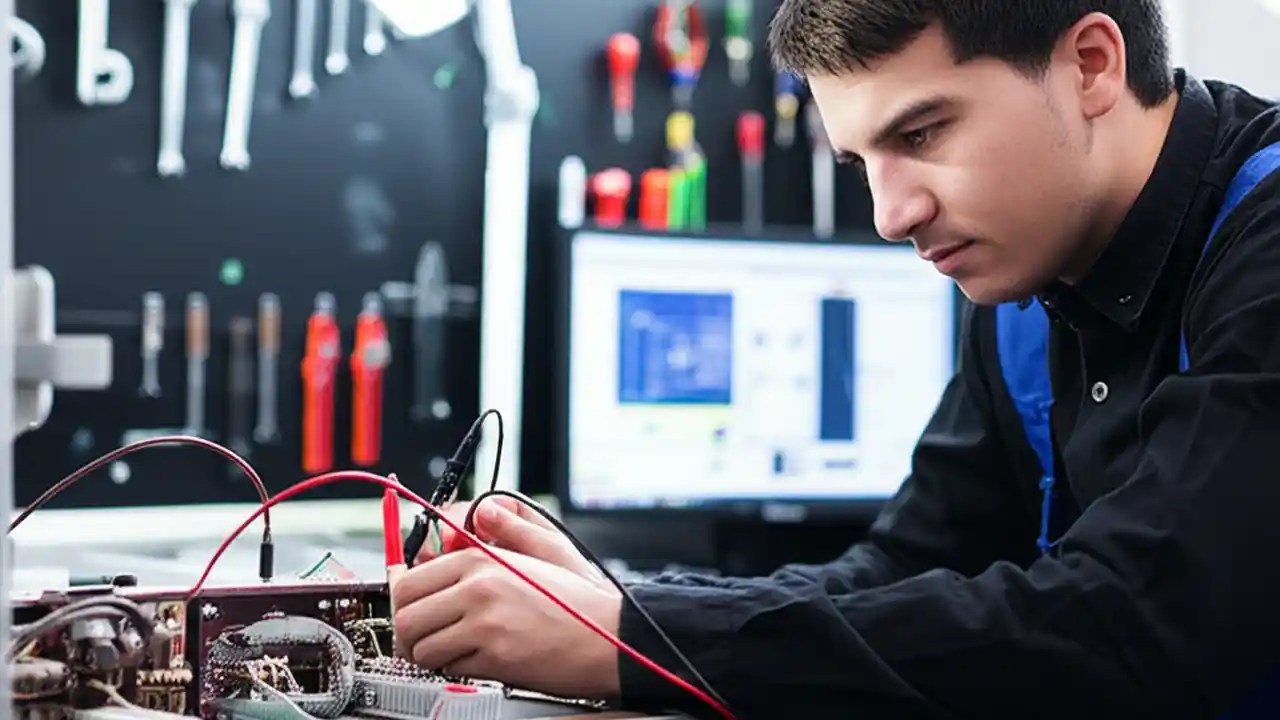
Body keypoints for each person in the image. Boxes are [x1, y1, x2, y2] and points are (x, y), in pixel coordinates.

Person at [391, 1, 1280, 717]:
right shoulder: (1024, 286)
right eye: (860, 163)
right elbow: (900, 572)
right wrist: (616, 604)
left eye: (922, 134)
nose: (892, 217)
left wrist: (630, 640)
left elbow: (1144, 626)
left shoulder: (1262, 248)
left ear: (1090, 64)